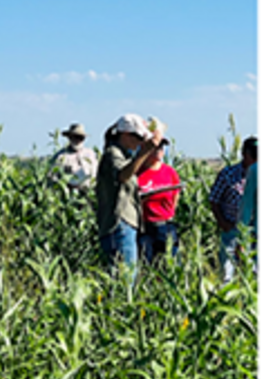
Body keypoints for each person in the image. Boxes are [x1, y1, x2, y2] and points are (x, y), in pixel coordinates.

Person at [96, 113, 165, 272]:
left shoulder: (124, 155)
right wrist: (145, 152)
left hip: (125, 223)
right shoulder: (113, 153)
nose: (141, 143)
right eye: (139, 138)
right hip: (118, 223)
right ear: (126, 135)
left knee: (126, 275)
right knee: (124, 276)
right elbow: (122, 176)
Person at [207, 136, 256, 280]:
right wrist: (222, 222)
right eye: (253, 155)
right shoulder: (228, 174)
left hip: (253, 230)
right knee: (227, 273)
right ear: (244, 154)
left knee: (253, 272)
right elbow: (214, 199)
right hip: (231, 229)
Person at [136, 137, 182, 264]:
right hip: (144, 226)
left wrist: (170, 212)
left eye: (161, 148)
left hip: (165, 225)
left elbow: (175, 194)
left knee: (170, 263)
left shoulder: (169, 172)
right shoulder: (137, 172)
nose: (158, 151)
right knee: (146, 263)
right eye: (155, 147)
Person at [50, 123, 97, 190]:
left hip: (87, 194)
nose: (78, 140)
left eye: (80, 138)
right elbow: (52, 177)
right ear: (69, 137)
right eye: (75, 137)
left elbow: (95, 175)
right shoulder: (61, 156)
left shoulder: (90, 155)